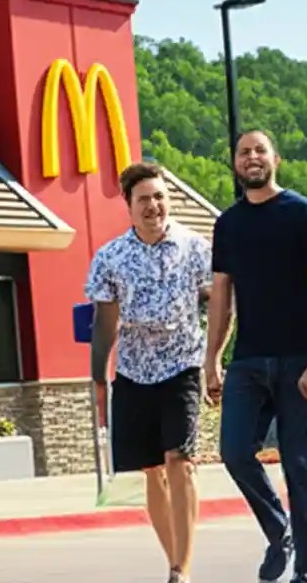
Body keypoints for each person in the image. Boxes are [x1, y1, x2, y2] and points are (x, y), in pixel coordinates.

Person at [204, 130, 307, 583]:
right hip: (248, 360)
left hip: (299, 357)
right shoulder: (228, 224)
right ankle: (280, 530)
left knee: (300, 467)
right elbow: (221, 297)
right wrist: (212, 359)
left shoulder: (302, 213)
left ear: (275, 159)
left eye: (260, 150)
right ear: (236, 164)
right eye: (244, 152)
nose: (252, 157)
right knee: (235, 452)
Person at [86, 161, 213, 583]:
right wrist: (99, 378)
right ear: (129, 206)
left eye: (159, 197)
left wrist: (214, 357)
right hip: (134, 372)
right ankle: (175, 559)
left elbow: (220, 301)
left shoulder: (196, 248)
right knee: (152, 472)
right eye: (144, 199)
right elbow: (104, 322)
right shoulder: (111, 256)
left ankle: (183, 568)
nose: (153, 206)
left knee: (181, 461)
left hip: (182, 366)